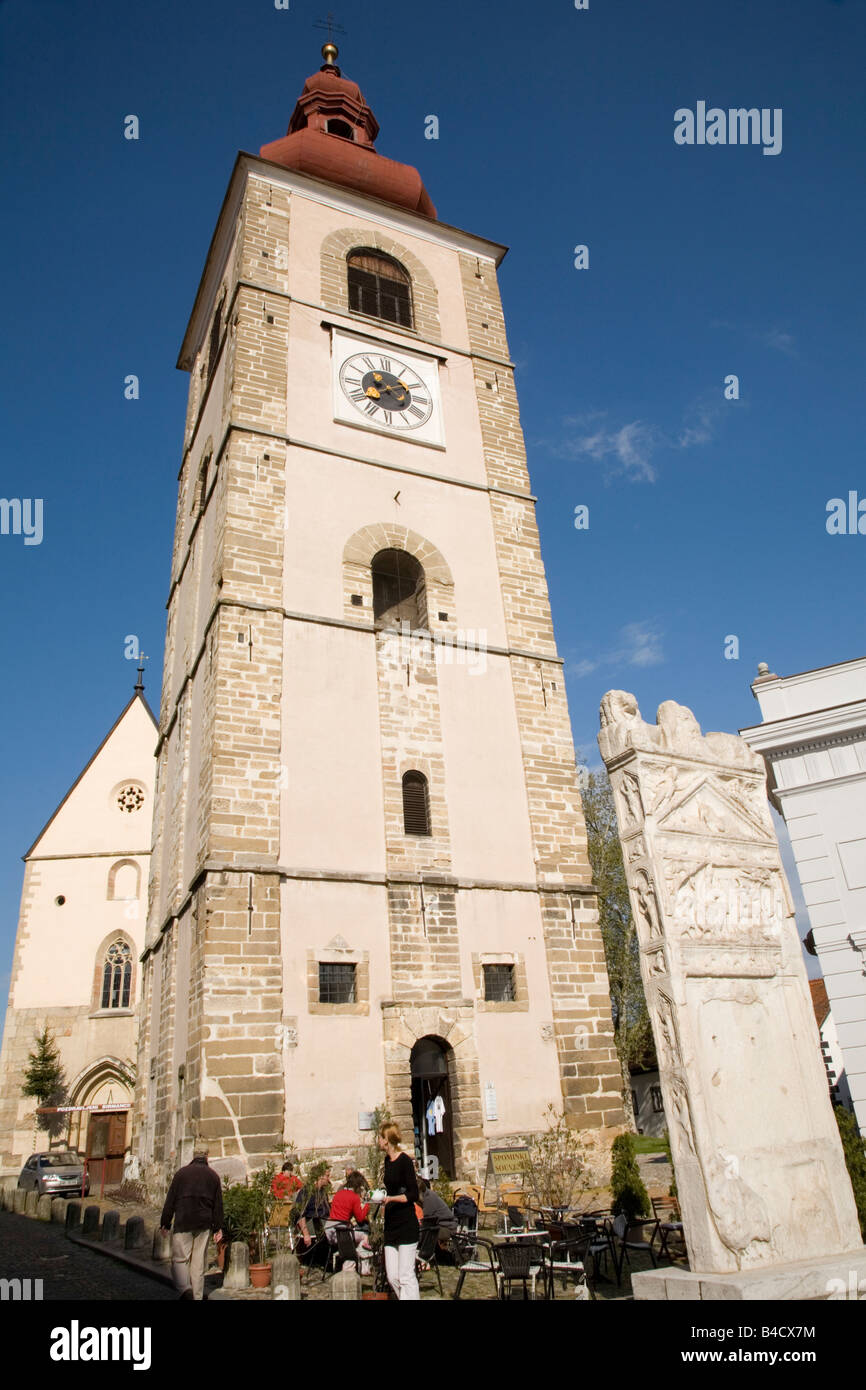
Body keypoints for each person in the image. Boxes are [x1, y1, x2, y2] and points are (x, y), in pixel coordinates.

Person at [159, 1141, 223, 1301]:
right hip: (204, 1223)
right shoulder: (213, 1176)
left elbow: (171, 1200)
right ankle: (197, 1296)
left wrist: (165, 1222)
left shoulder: (181, 1174)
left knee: (180, 1259)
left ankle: (185, 1289)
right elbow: (218, 1205)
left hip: (184, 1221)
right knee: (198, 1263)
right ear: (207, 1156)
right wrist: (218, 1228)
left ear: (194, 1155)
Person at [378, 1122, 420, 1300]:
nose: (378, 1141)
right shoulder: (387, 1161)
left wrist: (391, 1199)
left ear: (387, 1140)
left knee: (406, 1275)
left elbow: (413, 1194)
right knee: (392, 1276)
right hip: (391, 1224)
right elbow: (391, 1188)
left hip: (406, 1223)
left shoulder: (405, 1161)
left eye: (380, 1137)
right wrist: (382, 1200)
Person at [295, 1164, 332, 1255]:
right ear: (320, 1177)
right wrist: (306, 1233)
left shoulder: (322, 1191)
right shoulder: (306, 1191)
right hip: (313, 1225)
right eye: (327, 1176)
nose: (328, 1179)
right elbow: (300, 1214)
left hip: (323, 1224)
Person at [270, 1159, 303, 1232]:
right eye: (288, 1171)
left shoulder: (293, 1179)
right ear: (284, 1171)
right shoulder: (277, 1178)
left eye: (291, 1171)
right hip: (281, 1202)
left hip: (292, 1200)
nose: (290, 1173)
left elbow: (301, 1186)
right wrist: (282, 1196)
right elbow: (274, 1191)